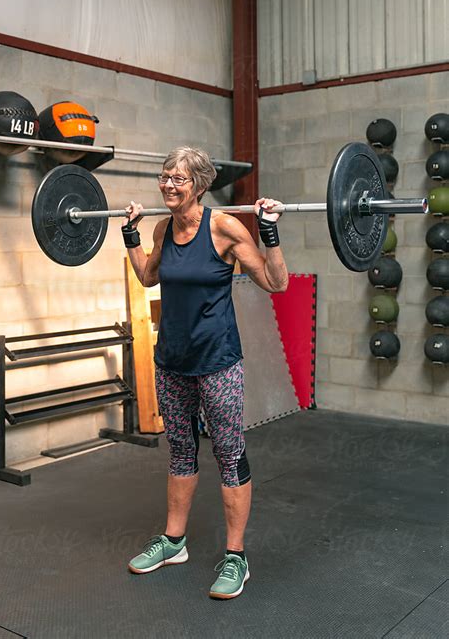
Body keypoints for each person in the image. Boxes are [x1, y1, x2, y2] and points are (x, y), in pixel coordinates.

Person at [122, 146, 288, 600]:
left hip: (217, 362)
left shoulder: (224, 228)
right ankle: (174, 542)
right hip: (172, 361)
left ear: (198, 184)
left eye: (178, 178)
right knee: (180, 452)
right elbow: (148, 277)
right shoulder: (162, 228)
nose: (168, 185)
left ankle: (236, 556)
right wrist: (130, 234)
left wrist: (269, 232)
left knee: (230, 455)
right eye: (164, 176)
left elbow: (277, 283)